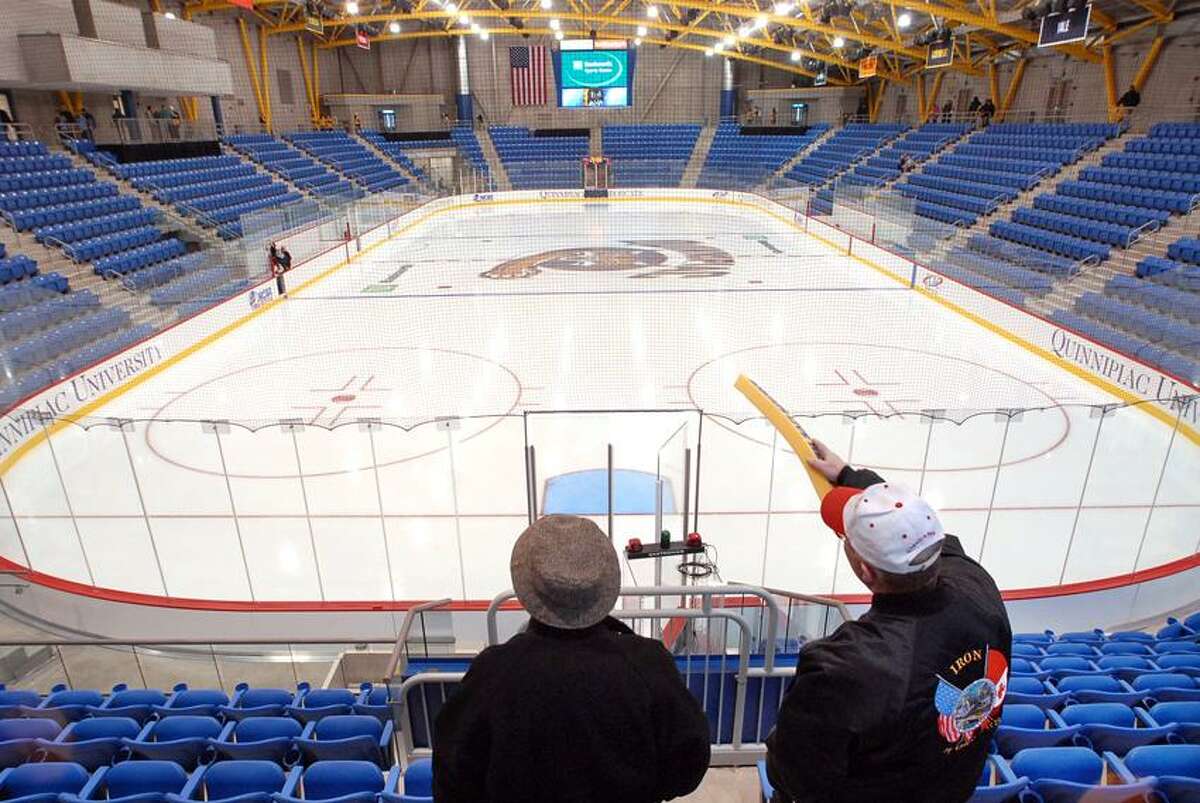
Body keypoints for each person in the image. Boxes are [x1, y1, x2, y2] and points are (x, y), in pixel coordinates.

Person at [765, 440, 1012, 803]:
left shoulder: (845, 667)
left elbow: (794, 775)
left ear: (865, 571)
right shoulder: (977, 586)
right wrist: (848, 475)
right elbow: (914, 528)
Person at [433, 515, 711, 803]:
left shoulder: (492, 674)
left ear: (528, 588)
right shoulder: (648, 665)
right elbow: (689, 761)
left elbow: (453, 777)